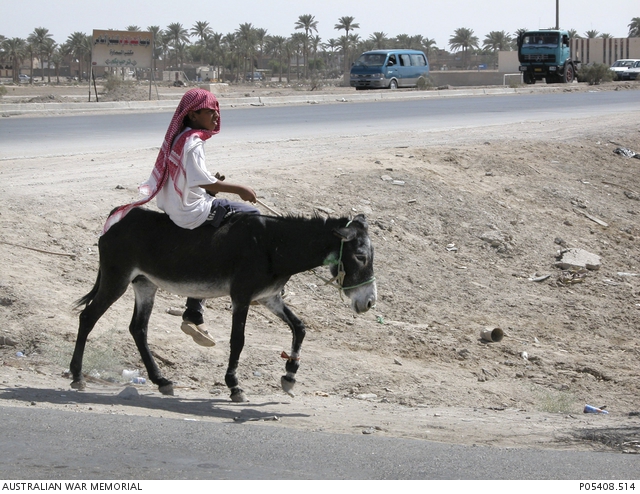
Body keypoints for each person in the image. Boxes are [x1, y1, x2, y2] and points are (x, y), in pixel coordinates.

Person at [103, 88, 259, 347]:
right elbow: (200, 179)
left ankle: (195, 309)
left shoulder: (181, 138)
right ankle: (247, 284)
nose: (216, 117)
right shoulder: (194, 142)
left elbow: (190, 180)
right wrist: (239, 188)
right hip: (192, 212)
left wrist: (210, 187)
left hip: (176, 207)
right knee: (252, 216)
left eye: (217, 112)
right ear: (194, 114)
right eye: (211, 112)